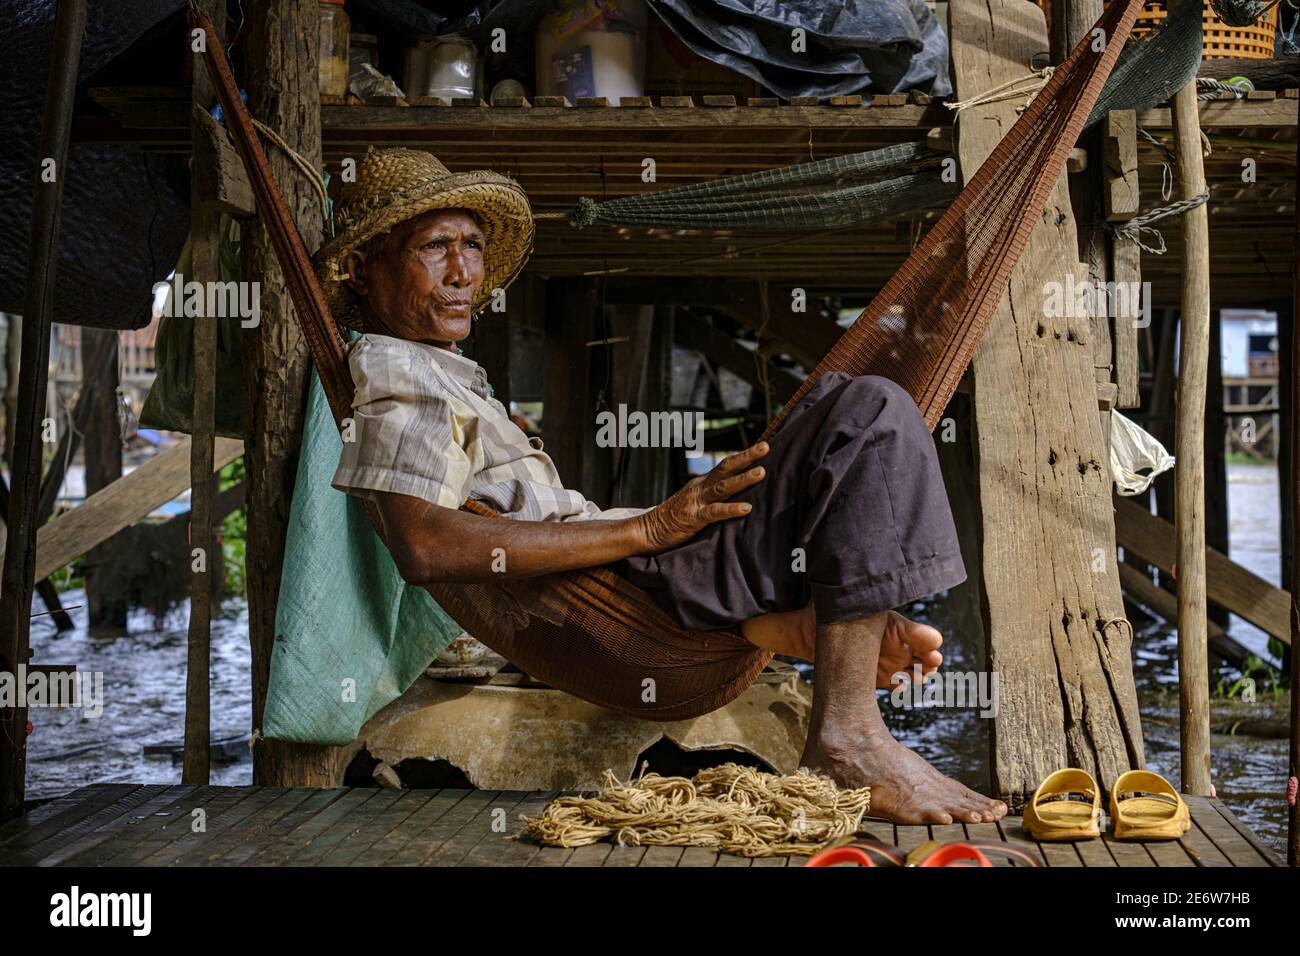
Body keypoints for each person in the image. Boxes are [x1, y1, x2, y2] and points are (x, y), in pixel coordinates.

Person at [315, 148, 1006, 825]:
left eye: (471, 245)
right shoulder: (398, 371)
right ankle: (848, 736)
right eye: (435, 247)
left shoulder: (440, 370)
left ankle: (804, 626)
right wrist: (647, 530)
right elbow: (424, 543)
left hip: (644, 590)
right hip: (632, 582)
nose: (466, 271)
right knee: (870, 412)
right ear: (363, 267)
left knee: (847, 415)